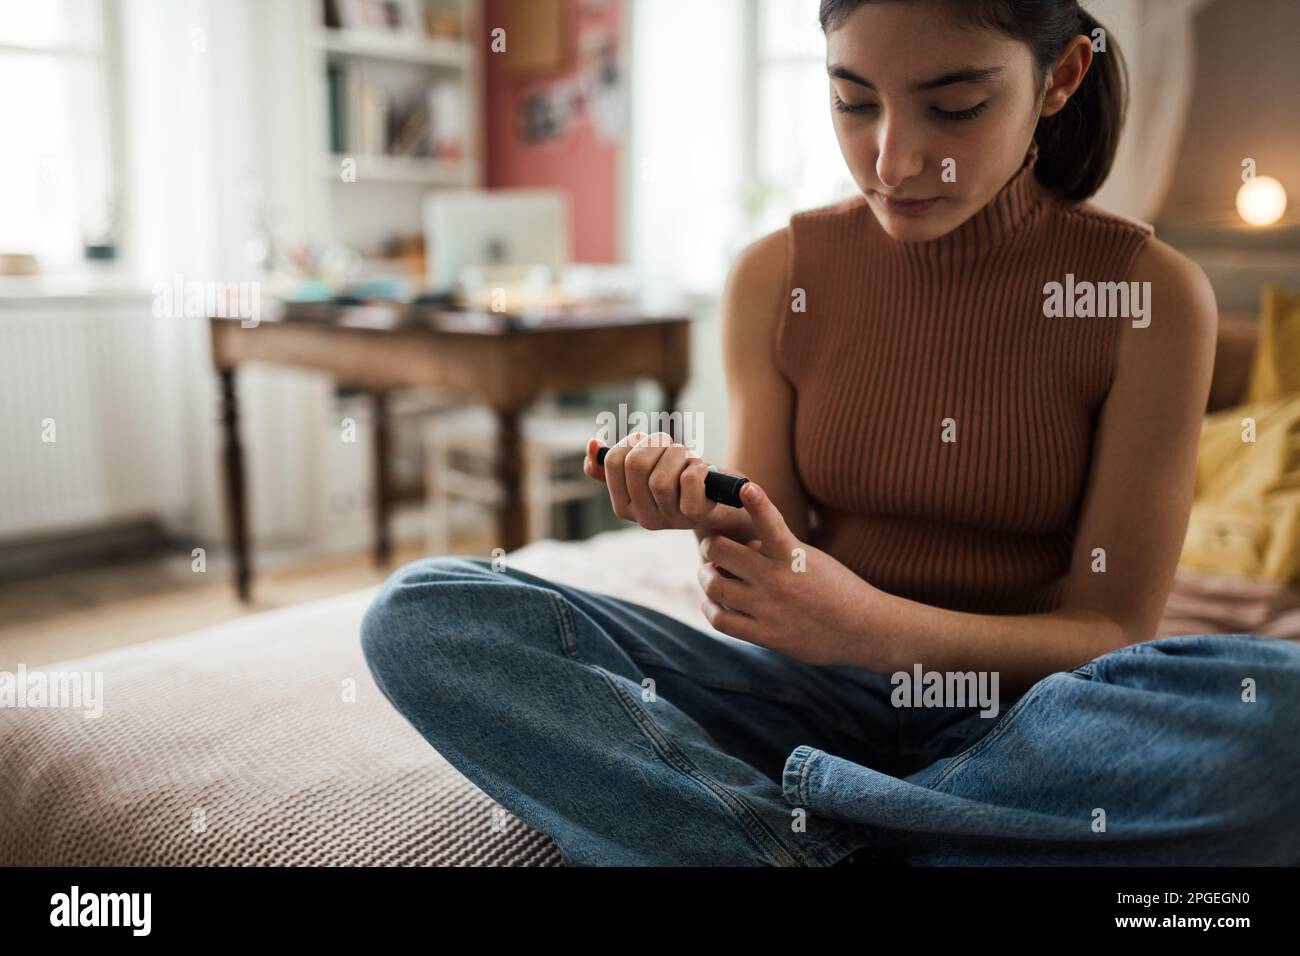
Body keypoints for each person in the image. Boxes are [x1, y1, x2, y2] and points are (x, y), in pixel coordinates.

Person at [361, 0, 1300, 866]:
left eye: (956, 106)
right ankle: (877, 836)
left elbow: (1112, 629)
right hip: (797, 701)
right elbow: (774, 567)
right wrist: (702, 508)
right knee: (425, 614)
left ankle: (780, 831)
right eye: (854, 102)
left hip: (1018, 722)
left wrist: (869, 625)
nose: (894, 159)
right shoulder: (778, 275)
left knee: (1280, 719)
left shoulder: (1152, 297)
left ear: (1060, 79)